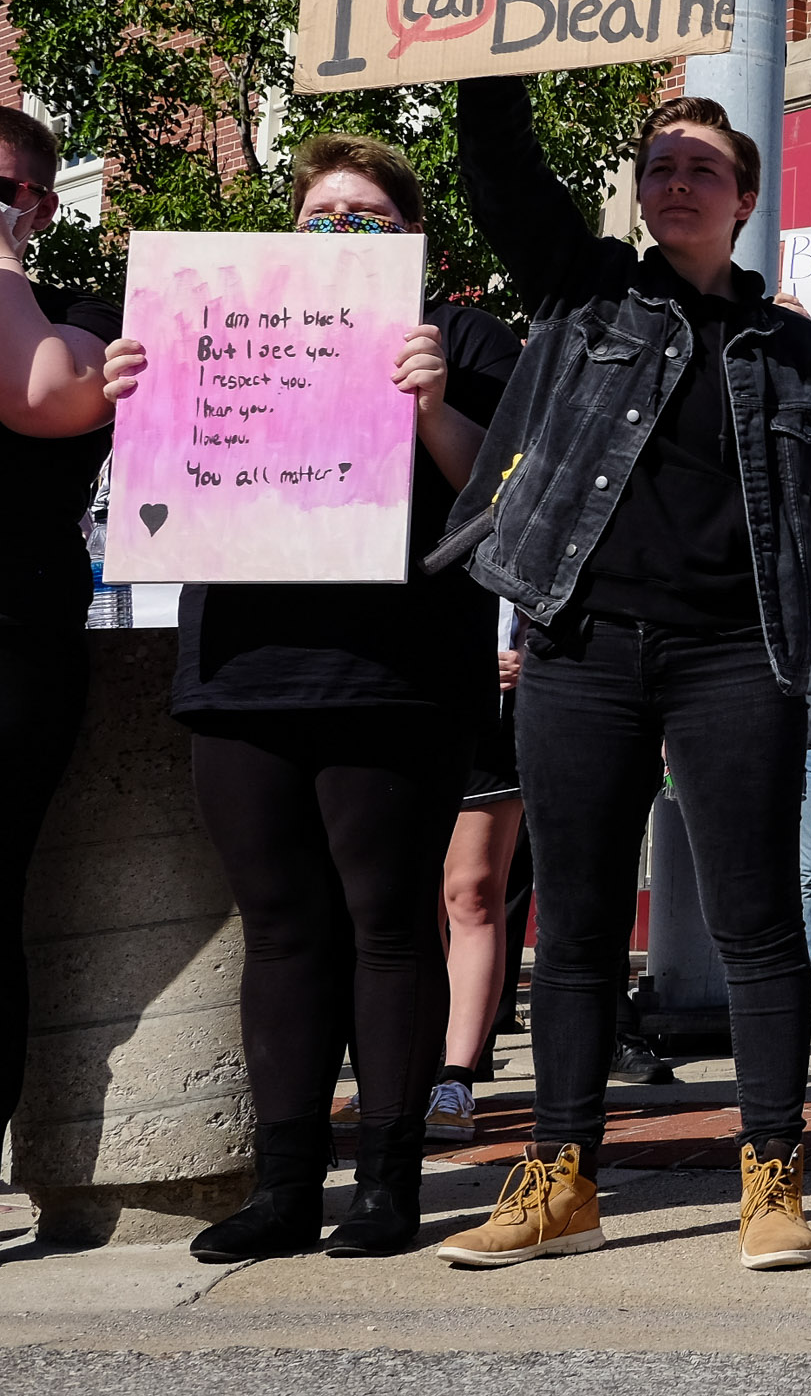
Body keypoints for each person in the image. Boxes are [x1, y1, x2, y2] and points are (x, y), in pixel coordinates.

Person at [433, 0, 811, 1275]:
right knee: (571, 923)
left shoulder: (798, 351)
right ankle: (559, 1175)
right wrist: (503, 10)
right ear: (638, 196)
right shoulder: (583, 299)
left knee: (757, 922)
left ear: (743, 199)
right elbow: (501, 172)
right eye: (659, 168)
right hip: (579, 650)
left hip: (733, 660)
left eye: (702, 167)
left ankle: (771, 1173)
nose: (676, 180)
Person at [103, 135, 520, 1259]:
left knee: (389, 922)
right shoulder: (213, 315)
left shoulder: (466, 336)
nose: (342, 232)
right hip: (242, 664)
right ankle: (285, 1184)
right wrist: (132, 393)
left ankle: (388, 1179)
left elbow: (504, 495)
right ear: (291, 228)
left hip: (395, 673)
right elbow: (153, 466)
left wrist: (433, 405)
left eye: (369, 218)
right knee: (281, 928)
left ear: (410, 238)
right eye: (324, 212)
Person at [0, 106, 117, 1226]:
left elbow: (42, 392)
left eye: (16, 192)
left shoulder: (78, 317)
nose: (8, 206)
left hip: (14, 640)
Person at [428, 611, 531, 1147]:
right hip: (403, 707)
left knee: (471, 893)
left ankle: (455, 1078)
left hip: (492, 724)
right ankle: (400, 1072)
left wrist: (531, 660)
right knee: (405, 903)